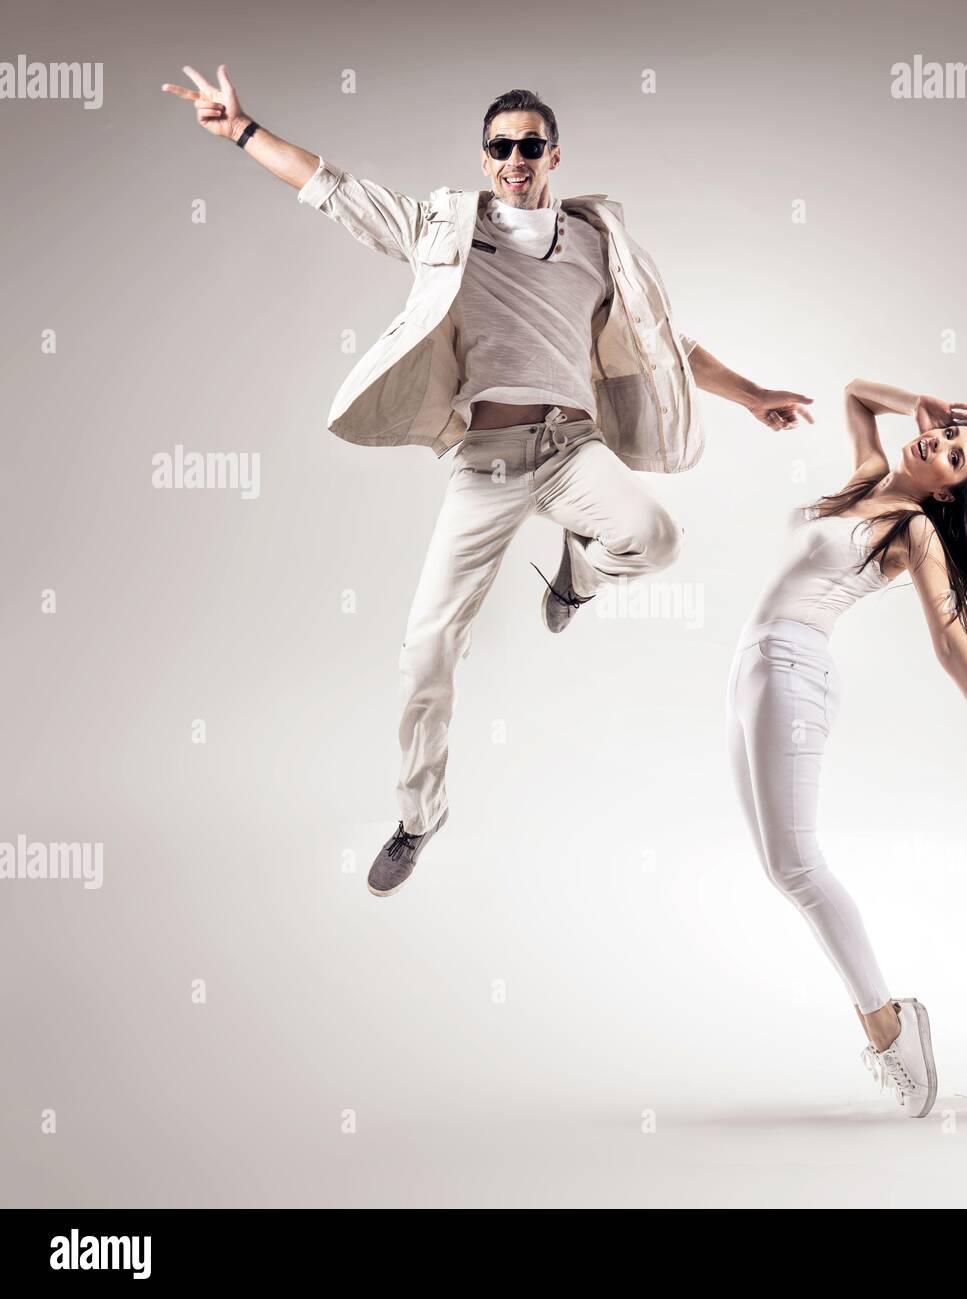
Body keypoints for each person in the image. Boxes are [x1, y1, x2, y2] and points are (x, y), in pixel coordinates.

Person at [162, 67, 815, 896]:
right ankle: (417, 815)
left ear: (553, 156)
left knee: (655, 538)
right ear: (484, 159)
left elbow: (664, 343)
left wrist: (753, 394)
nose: (516, 157)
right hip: (487, 463)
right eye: (502, 146)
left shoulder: (593, 246)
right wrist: (245, 131)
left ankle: (577, 576)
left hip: (570, 446)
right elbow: (335, 189)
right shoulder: (446, 229)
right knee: (427, 649)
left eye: (530, 145)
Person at [724, 378, 967, 1117]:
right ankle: (888, 1021)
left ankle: (888, 1025)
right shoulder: (865, 482)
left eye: (952, 457)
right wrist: (926, 402)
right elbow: (852, 394)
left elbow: (949, 642)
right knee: (779, 868)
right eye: (946, 439)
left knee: (796, 863)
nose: (937, 446)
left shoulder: (912, 529)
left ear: (947, 495)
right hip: (751, 666)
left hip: (794, 671)